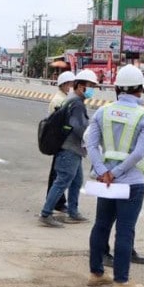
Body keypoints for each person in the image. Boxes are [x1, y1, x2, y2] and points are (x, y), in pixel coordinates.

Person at [86, 65, 144, 287]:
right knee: (125, 230)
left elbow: (91, 144)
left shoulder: (102, 112)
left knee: (101, 225)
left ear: (117, 88)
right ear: (139, 90)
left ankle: (96, 273)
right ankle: (121, 281)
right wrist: (116, 173)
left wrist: (102, 171)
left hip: (106, 182)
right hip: (131, 182)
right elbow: (138, 153)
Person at [38, 69, 95, 228]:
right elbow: (78, 127)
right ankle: (46, 213)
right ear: (79, 86)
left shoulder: (73, 101)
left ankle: (73, 212)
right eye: (89, 86)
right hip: (69, 149)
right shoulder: (76, 103)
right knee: (62, 182)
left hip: (74, 150)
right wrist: (91, 137)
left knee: (76, 182)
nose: (91, 90)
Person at [47, 71, 76, 212]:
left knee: (59, 173)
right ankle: (54, 203)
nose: (73, 86)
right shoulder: (59, 100)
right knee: (58, 174)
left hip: (63, 141)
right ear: (64, 84)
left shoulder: (66, 98)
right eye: (71, 84)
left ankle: (57, 201)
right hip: (60, 141)